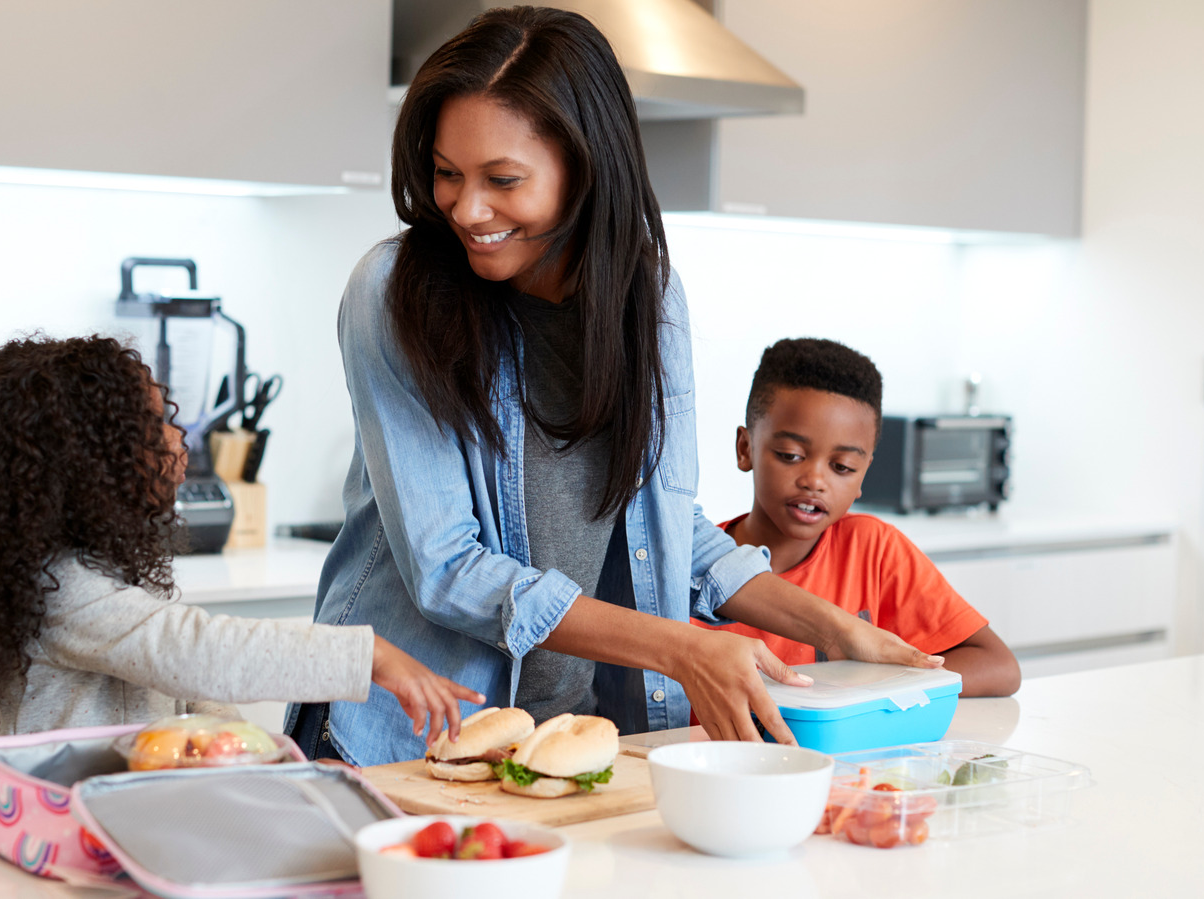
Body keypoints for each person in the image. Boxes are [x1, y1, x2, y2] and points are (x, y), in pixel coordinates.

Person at [287, 6, 939, 767]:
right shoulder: (392, 292)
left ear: (585, 166)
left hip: (568, 740)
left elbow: (666, 523)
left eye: (503, 179)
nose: (467, 209)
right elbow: (448, 571)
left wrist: (834, 628)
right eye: (446, 173)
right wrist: (679, 648)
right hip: (403, 736)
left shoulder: (648, 299)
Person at [0, 335, 482, 740]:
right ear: (91, 460)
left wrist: (254, 749)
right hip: (72, 837)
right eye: (159, 421)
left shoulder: (89, 571)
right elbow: (194, 652)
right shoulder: (60, 590)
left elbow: (175, 686)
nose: (179, 436)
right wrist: (368, 654)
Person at [695, 338, 1021, 697]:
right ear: (745, 449)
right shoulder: (691, 571)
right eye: (790, 455)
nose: (815, 481)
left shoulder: (875, 551)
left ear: (863, 474)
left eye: (842, 467)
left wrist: (857, 692)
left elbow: (999, 666)